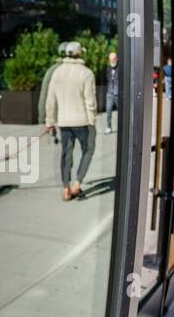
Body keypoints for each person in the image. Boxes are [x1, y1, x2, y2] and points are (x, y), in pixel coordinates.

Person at [44, 40, 97, 200]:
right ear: (80, 53)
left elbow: (50, 100)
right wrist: (93, 121)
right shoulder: (86, 73)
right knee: (88, 150)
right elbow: (90, 102)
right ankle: (77, 184)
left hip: (64, 122)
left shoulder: (57, 72)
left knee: (66, 154)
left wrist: (50, 122)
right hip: (82, 121)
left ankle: (66, 188)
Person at [38, 42, 69, 144]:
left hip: (57, 118)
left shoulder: (51, 70)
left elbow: (44, 95)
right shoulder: (78, 71)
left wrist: (42, 118)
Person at [104, 50, 120, 133]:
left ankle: (121, 127)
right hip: (110, 93)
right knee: (108, 111)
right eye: (110, 59)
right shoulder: (107, 68)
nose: (112, 61)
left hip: (118, 93)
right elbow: (106, 79)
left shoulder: (121, 68)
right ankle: (108, 127)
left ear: (117, 59)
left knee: (121, 112)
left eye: (114, 59)